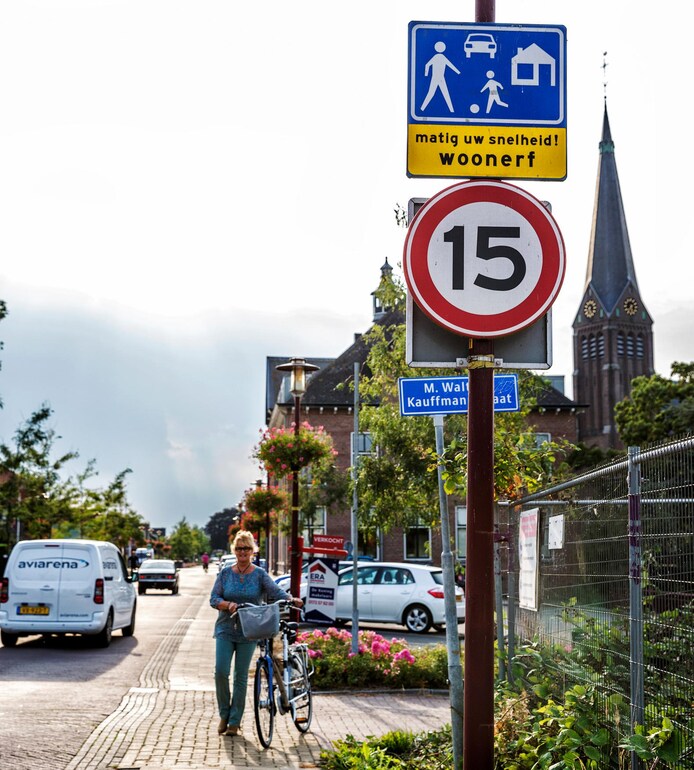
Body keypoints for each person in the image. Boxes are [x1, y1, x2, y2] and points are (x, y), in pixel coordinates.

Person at [209, 530, 302, 737]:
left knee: (240, 676)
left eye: (246, 548)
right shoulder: (225, 574)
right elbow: (214, 598)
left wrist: (291, 599)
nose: (242, 552)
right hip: (225, 628)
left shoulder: (259, 574)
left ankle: (234, 721)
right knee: (221, 672)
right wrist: (227, 604)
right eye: (239, 548)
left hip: (249, 631)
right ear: (234, 550)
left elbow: (275, 591)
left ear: (252, 551)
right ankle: (224, 714)